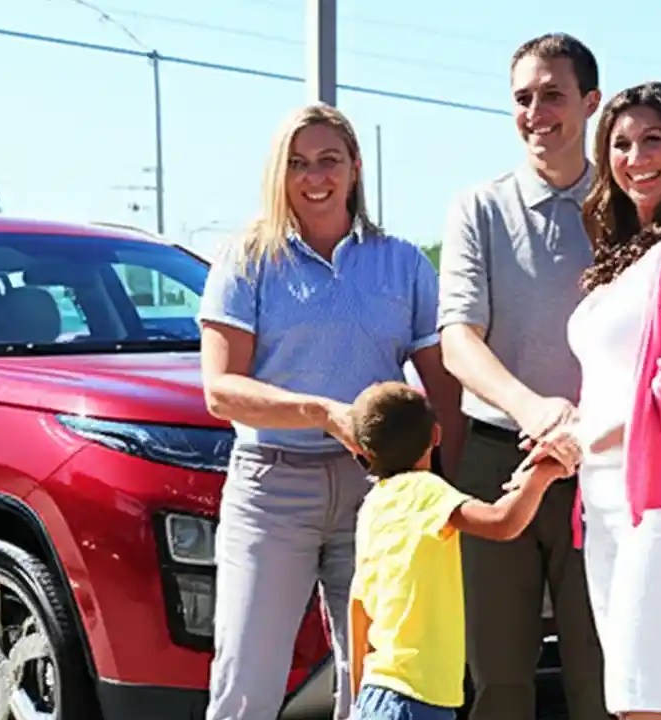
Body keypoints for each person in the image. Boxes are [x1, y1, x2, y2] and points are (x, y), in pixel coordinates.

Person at [198, 102, 464, 720]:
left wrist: (440, 485)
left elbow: (442, 390)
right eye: (297, 163)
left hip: (378, 494)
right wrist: (323, 412)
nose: (314, 178)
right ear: (278, 172)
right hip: (270, 488)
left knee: (377, 675)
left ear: (355, 168)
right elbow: (221, 390)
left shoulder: (402, 262)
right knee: (246, 678)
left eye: (328, 161)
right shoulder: (246, 261)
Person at [527, 81, 661, 718]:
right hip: (604, 502)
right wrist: (577, 435)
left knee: (656, 704)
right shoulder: (623, 257)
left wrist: (580, 437)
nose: (635, 156)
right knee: (629, 702)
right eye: (620, 143)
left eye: (654, 139)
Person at [436, 31, 609, 719]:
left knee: (600, 678)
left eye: (553, 95)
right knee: (498, 680)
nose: (536, 112)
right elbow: (457, 340)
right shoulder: (478, 208)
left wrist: (581, 429)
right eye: (523, 98)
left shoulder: (629, 208)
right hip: (497, 462)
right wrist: (534, 409)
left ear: (591, 102)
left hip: (602, 468)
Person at [347, 381, 572, 720]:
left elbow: (358, 608)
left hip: (376, 693)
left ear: (362, 450)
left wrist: (357, 698)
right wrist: (543, 473)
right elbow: (502, 521)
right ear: (436, 435)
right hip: (418, 698)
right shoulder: (426, 491)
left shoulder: (373, 507)